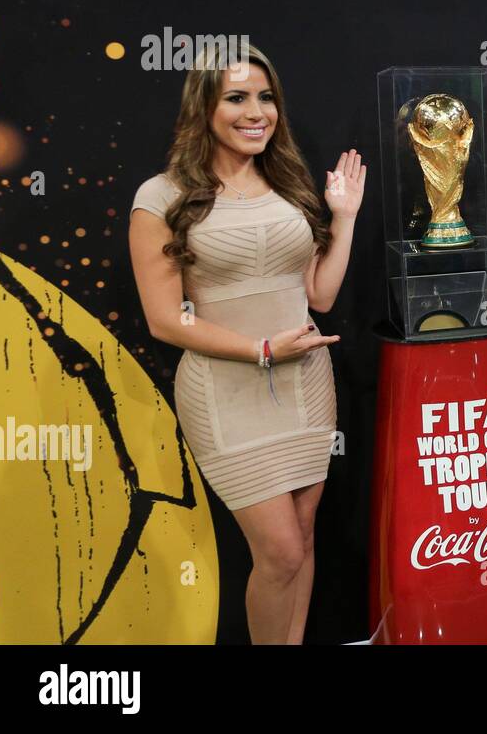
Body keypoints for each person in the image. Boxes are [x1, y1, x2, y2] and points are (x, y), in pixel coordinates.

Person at [129, 42, 366, 645]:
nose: (255, 111)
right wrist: (261, 351)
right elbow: (163, 321)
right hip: (226, 392)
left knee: (305, 536)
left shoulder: (288, 185)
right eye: (236, 97)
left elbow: (321, 296)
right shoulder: (161, 196)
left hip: (306, 384)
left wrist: (345, 217)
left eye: (265, 98)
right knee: (280, 552)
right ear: (204, 106)